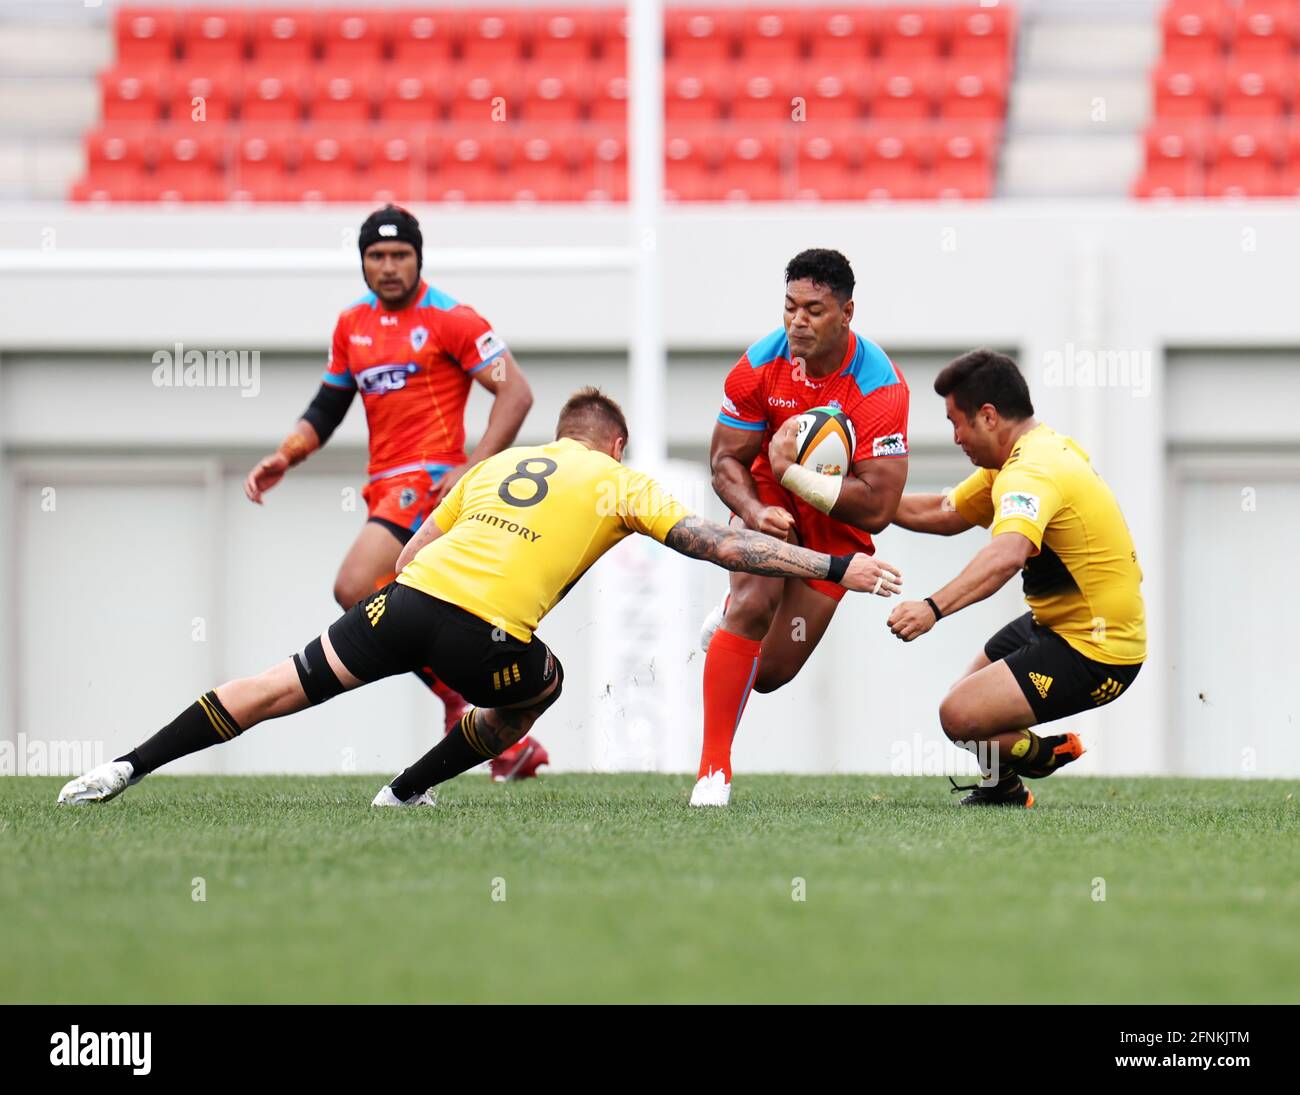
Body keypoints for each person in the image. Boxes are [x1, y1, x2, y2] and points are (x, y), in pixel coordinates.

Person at [58, 389, 904, 808]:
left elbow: (418, 547)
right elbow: (714, 542)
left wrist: (396, 624)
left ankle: (120, 766)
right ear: (616, 442)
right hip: (488, 638)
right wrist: (831, 569)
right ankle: (403, 793)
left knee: (278, 686)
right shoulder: (617, 478)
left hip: (406, 602)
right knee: (544, 684)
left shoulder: (493, 467)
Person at [242, 204, 546, 781]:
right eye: (376, 256)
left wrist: (474, 469)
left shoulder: (451, 318)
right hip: (384, 488)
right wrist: (286, 455)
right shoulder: (350, 325)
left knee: (355, 585)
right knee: (424, 609)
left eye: (399, 255)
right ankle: (495, 725)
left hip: (428, 484)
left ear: (418, 258)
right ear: (361, 261)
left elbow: (517, 393)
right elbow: (329, 405)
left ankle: (464, 704)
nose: (388, 266)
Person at [693, 248, 910, 806]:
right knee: (753, 603)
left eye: (814, 310)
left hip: (836, 517)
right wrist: (757, 507)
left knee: (770, 673)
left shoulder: (880, 388)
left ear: (847, 313)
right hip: (766, 498)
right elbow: (724, 463)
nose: (797, 321)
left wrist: (795, 473)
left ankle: (728, 623)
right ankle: (713, 771)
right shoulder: (759, 364)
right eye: (790, 307)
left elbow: (879, 506)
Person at [887, 349, 1146, 807]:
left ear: (988, 416)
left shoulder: (1030, 471)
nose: (954, 437)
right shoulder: (1019, 458)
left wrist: (931, 609)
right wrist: (848, 497)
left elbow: (1007, 556)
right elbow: (943, 513)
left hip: (1100, 650)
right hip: (1058, 624)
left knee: (959, 716)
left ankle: (1043, 754)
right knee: (967, 705)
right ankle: (1004, 790)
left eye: (956, 422)